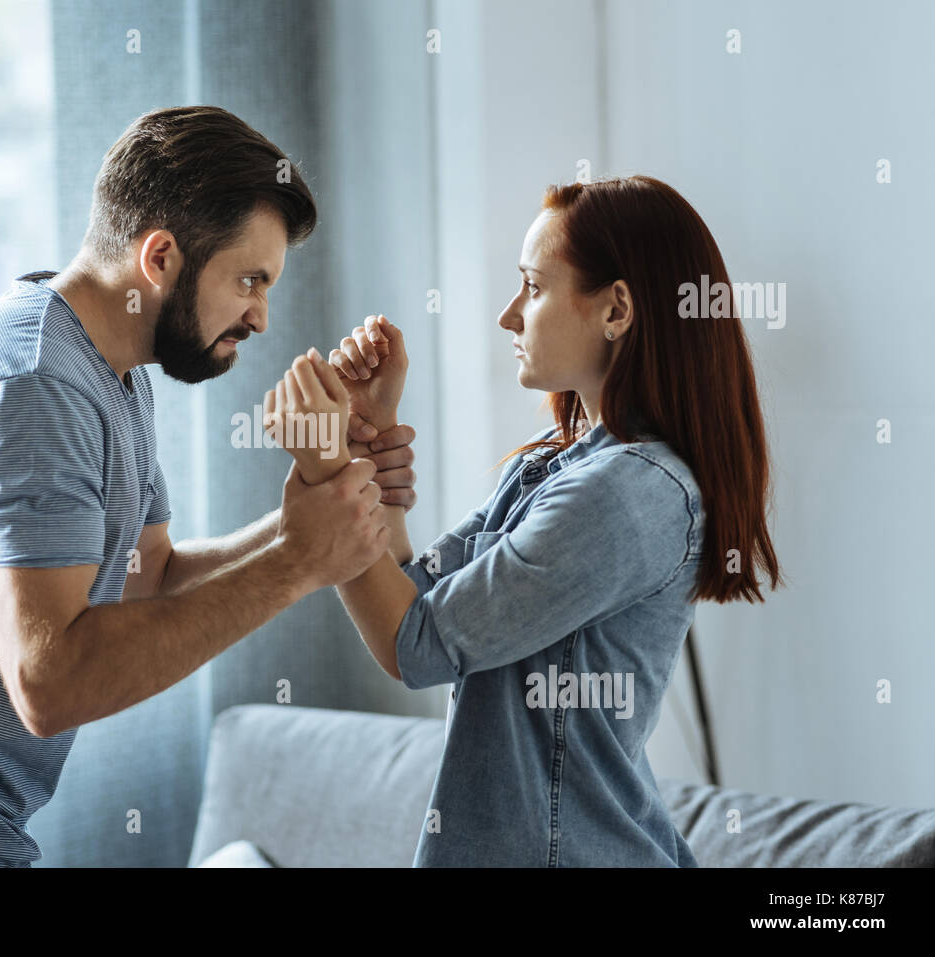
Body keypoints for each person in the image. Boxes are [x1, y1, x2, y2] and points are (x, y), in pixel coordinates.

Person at [0, 105, 417, 867]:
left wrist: (310, 518)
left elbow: (149, 580)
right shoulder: (35, 383)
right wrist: (299, 559)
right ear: (162, 256)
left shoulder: (112, 374)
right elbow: (50, 680)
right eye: (249, 280)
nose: (262, 317)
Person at [266, 175, 782, 866]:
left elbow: (412, 645)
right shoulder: (555, 467)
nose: (510, 315)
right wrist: (372, 433)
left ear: (616, 308)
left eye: (533, 287)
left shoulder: (628, 495)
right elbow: (414, 599)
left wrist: (332, 470)